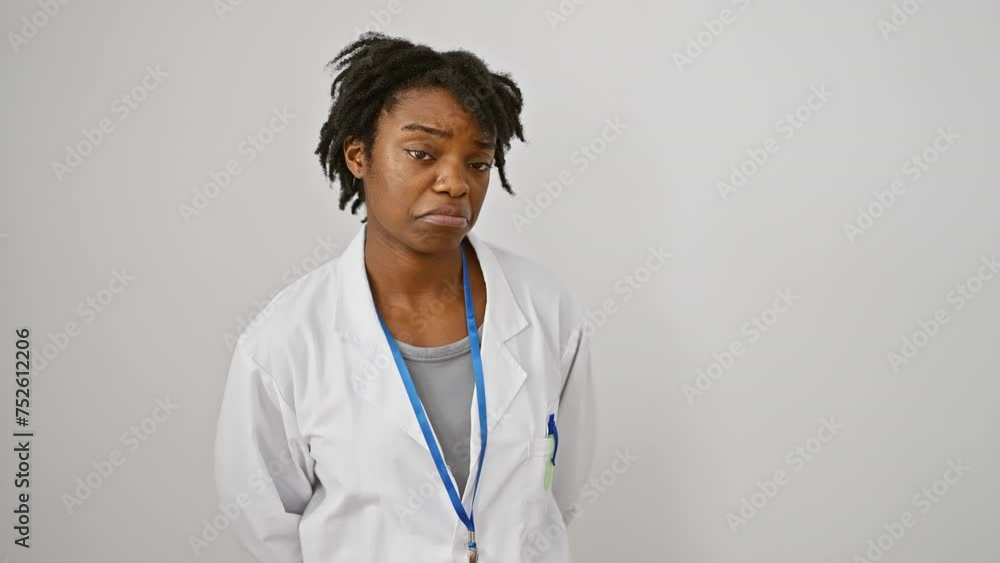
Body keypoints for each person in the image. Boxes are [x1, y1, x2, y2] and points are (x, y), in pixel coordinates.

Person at [214, 32, 597, 563]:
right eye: (422, 153)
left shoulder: (546, 309)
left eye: (478, 163)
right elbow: (264, 530)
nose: (454, 183)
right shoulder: (283, 340)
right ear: (358, 156)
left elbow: (558, 494)